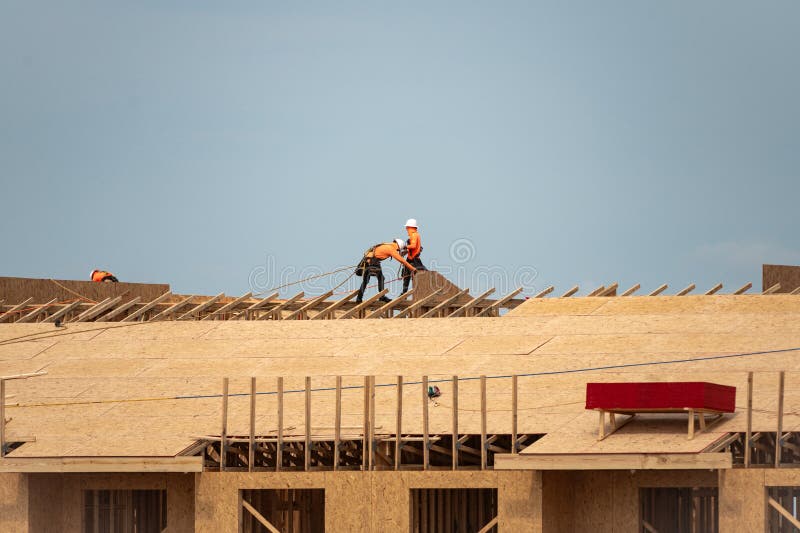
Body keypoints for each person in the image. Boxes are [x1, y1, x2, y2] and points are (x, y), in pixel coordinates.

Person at [401, 218, 427, 294]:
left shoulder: (414, 235)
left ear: (410, 227)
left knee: (414, 276)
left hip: (414, 260)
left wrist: (405, 247)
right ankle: (404, 293)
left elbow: (413, 246)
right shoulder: (414, 235)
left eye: (407, 227)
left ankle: (415, 293)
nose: (406, 229)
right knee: (406, 276)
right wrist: (405, 251)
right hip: (410, 259)